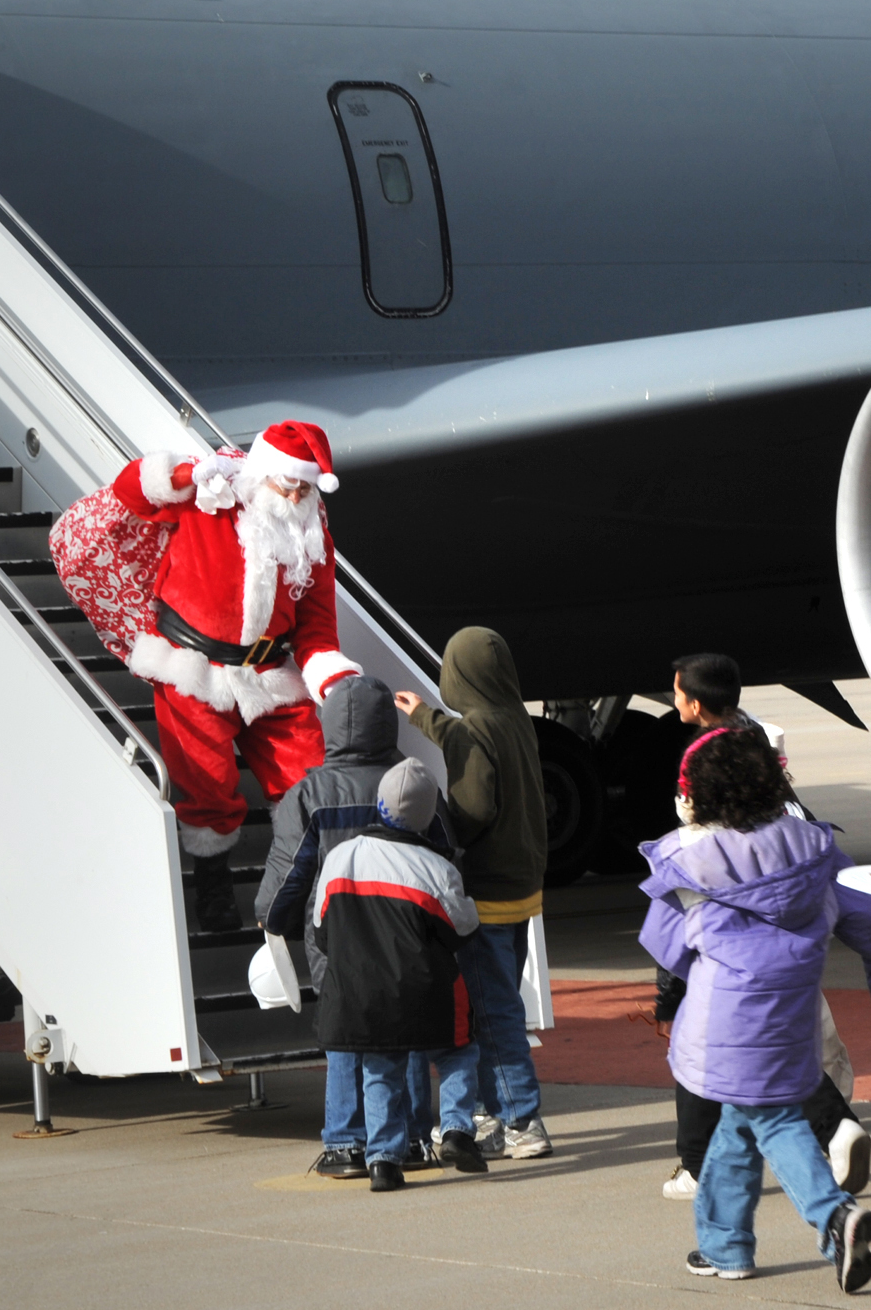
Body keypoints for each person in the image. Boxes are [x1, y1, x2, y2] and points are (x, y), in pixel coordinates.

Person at [639, 727, 871, 1292]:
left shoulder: (690, 858)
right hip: (793, 1015)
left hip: (724, 1019)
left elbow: (665, 945)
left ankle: (837, 1216)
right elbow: (869, 921)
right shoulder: (814, 847)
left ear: (699, 794)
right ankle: (725, 1246)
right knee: (739, 1127)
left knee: (773, 1120)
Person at [105, 422, 361, 929]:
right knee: (208, 784)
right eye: (284, 482)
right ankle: (213, 881)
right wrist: (183, 473)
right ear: (260, 472)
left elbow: (317, 629)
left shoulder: (312, 537)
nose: (292, 493)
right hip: (193, 669)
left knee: (309, 773)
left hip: (269, 673)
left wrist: (332, 679)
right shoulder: (207, 499)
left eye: (303, 487)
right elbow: (128, 491)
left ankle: (305, 884)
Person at [659, 651, 871, 1198]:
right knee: (787, 1044)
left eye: (676, 690)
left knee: (709, 1046)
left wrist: (666, 986)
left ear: (694, 702)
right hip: (792, 929)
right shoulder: (757, 743)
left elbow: (682, 892)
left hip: (732, 937)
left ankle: (700, 1165)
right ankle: (834, 1128)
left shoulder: (708, 763)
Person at [255, 675, 478, 1178]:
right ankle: (415, 1137)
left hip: (339, 933)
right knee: (411, 1033)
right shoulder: (411, 780)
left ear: (328, 724)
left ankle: (347, 1143)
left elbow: (290, 870)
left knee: (346, 1035)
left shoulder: (309, 792)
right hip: (410, 933)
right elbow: (445, 855)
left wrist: (274, 917)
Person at [396, 628, 554, 1159]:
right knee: (504, 1001)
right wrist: (426, 717)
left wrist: (441, 840)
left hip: (484, 894)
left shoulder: (474, 731)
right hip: (523, 888)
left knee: (492, 1013)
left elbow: (473, 806)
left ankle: (520, 1120)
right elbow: (471, 741)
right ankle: (497, 1112)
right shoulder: (515, 721)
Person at [310, 759, 483, 1192]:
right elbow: (462, 930)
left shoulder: (340, 857)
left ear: (380, 805)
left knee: (379, 1069)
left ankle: (383, 1161)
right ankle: (458, 1129)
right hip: (423, 991)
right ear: (426, 818)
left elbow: (321, 929)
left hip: (360, 994)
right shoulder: (436, 869)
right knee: (458, 1051)